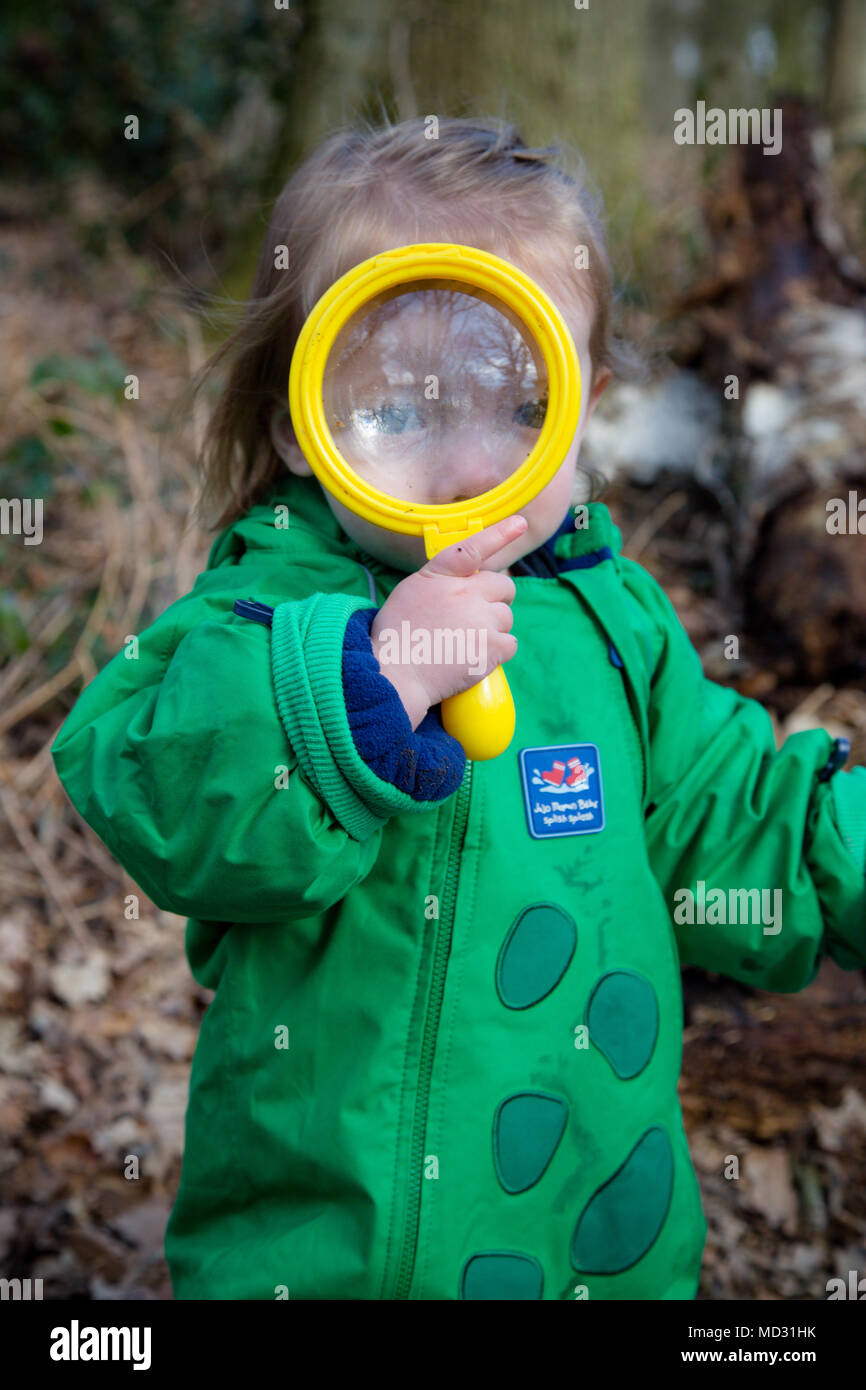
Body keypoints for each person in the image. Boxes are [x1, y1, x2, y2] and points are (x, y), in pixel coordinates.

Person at [50, 117, 866, 1301]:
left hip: (583, 1245)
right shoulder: (262, 611)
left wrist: (834, 842)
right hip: (319, 1257)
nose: (482, 464)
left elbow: (723, 822)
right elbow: (154, 780)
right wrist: (365, 683)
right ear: (298, 418)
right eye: (406, 403)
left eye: (523, 399)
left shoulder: (610, 623)